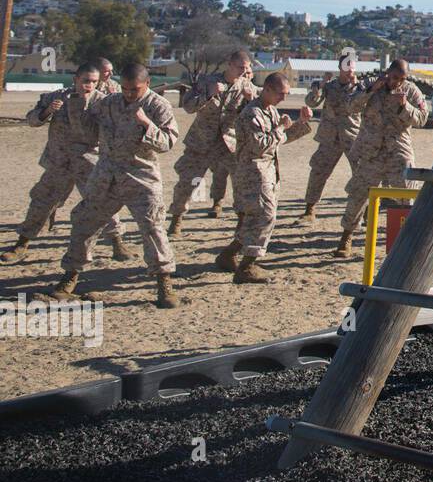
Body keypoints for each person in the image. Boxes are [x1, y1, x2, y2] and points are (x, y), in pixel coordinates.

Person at [49, 63, 182, 308]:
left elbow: (168, 142)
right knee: (84, 221)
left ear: (148, 84)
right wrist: (80, 104)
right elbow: (88, 133)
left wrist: (147, 124)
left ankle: (164, 284)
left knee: (152, 227)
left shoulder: (157, 106)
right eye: (126, 88)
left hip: (140, 176)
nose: (129, 93)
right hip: (106, 175)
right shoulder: (110, 102)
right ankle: (71, 276)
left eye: (135, 89)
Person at [1, 63, 129, 265]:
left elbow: (114, 130)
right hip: (59, 162)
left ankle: (117, 243)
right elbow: (32, 120)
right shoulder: (55, 97)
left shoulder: (103, 103)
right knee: (42, 201)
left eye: (94, 82)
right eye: (86, 80)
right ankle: (22, 244)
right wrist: (47, 112)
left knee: (102, 202)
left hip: (88, 163)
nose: (89, 85)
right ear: (75, 79)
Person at [215, 73, 313, 283]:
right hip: (253, 174)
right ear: (267, 89)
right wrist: (280, 128)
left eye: (286, 94)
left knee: (253, 219)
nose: (283, 98)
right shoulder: (252, 113)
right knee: (266, 217)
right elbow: (259, 145)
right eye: (280, 94)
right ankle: (247, 267)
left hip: (268, 172)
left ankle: (228, 255)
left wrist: (301, 124)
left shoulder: (270, 111)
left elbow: (279, 141)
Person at [333, 59, 430, 258]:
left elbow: (422, 118)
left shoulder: (411, 91)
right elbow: (350, 107)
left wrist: (405, 107)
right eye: (394, 78)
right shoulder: (368, 84)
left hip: (398, 151)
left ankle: (407, 241)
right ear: (387, 73)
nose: (397, 83)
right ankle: (346, 238)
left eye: (402, 79)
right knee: (358, 194)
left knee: (407, 196)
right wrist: (370, 91)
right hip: (371, 152)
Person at [167, 50, 257, 235]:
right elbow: (188, 107)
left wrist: (250, 102)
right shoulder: (207, 82)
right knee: (188, 181)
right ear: (229, 65)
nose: (243, 71)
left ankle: (241, 221)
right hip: (201, 142)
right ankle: (176, 219)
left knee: (241, 183)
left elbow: (254, 117)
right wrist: (208, 94)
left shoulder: (248, 87)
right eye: (240, 67)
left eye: (246, 68)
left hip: (230, 144)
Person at [297, 58, 363, 224]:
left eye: (353, 69)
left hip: (352, 136)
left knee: (362, 174)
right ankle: (310, 209)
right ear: (339, 68)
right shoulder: (328, 86)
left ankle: (366, 210)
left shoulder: (360, 87)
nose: (350, 72)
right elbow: (311, 102)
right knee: (318, 171)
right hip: (329, 136)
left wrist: (359, 89)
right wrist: (320, 86)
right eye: (347, 68)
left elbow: (364, 104)